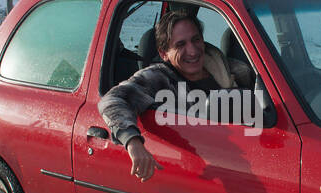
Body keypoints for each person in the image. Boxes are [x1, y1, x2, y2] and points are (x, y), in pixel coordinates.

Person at [99, 9, 253, 182]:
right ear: (164, 53)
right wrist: (133, 142)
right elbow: (112, 100)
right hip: (197, 170)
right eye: (180, 45)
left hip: (247, 155)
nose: (193, 51)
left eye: (196, 40)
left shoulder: (233, 70)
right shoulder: (159, 77)